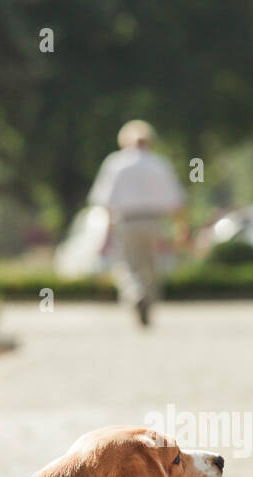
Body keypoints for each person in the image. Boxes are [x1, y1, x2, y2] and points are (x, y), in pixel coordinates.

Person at [86, 120, 188, 326]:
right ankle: (147, 300)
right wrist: (181, 230)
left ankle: (135, 294)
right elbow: (176, 202)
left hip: (127, 221)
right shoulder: (160, 164)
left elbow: (105, 202)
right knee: (151, 267)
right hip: (153, 222)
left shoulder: (115, 164)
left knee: (127, 265)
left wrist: (107, 233)